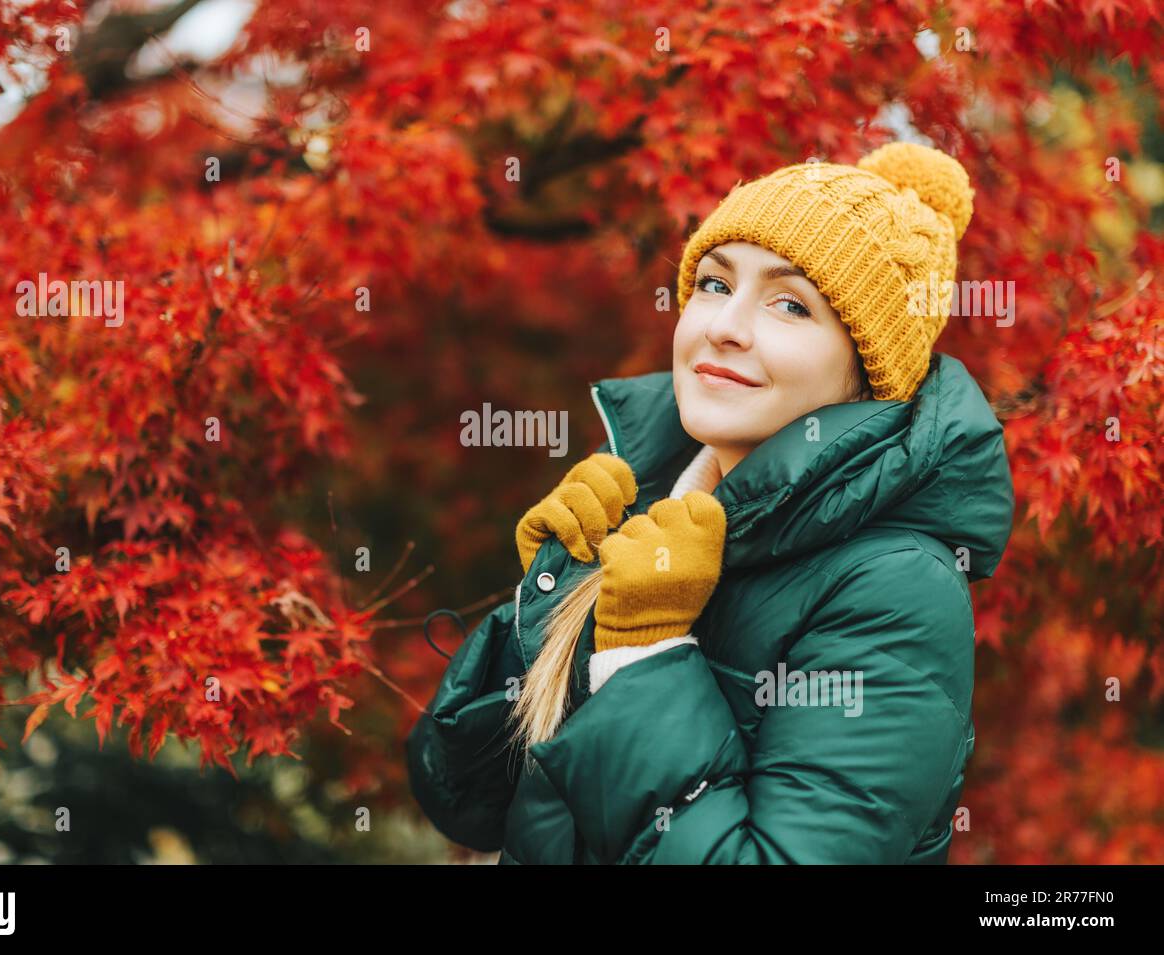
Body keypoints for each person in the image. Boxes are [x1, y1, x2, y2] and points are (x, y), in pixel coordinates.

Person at [406, 142, 1015, 864]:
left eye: (791, 303)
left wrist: (647, 651)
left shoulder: (896, 587)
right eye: (715, 283)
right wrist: (546, 596)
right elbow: (465, 800)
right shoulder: (646, 505)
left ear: (866, 371)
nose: (725, 324)